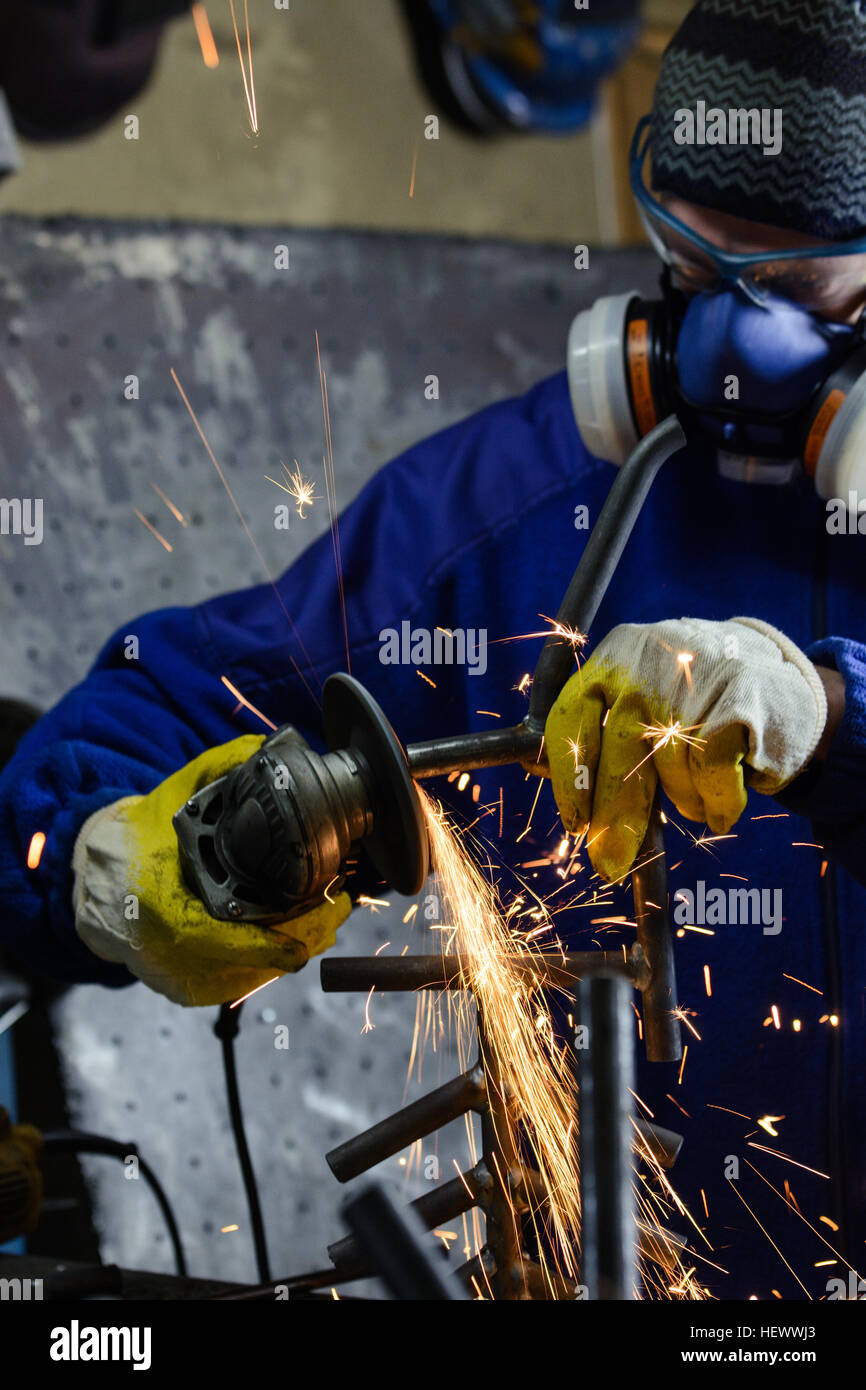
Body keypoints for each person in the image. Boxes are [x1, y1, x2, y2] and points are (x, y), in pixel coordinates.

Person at [2, 0, 864, 1298]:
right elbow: (172, 707)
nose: (733, 344)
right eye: (694, 269)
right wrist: (97, 859)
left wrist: (833, 714)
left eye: (791, 289)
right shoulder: (517, 508)